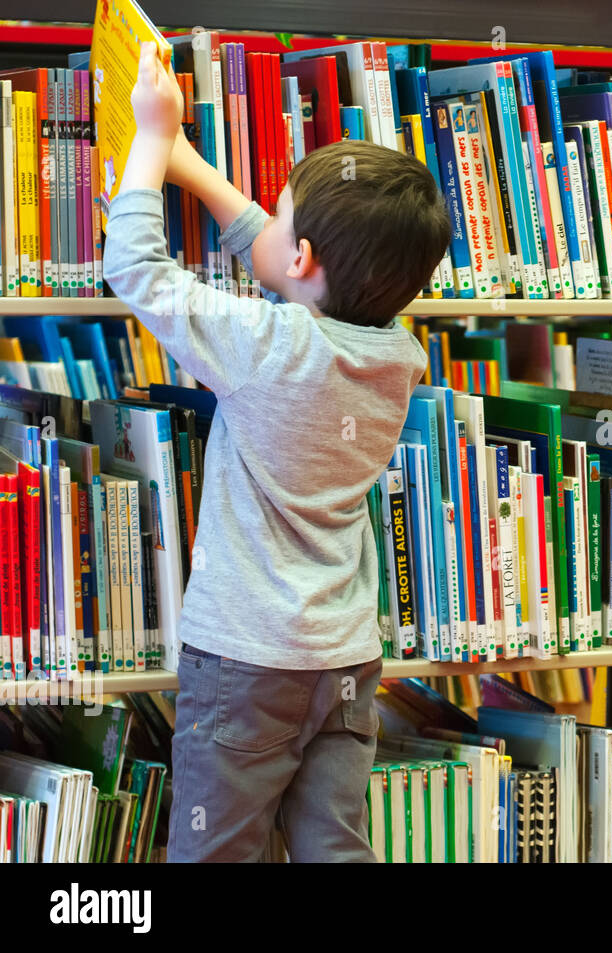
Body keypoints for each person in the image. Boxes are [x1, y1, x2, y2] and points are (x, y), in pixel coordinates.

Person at [102, 42, 449, 861]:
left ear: (303, 261)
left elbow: (136, 269)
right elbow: (282, 257)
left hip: (249, 661)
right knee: (334, 845)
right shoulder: (398, 354)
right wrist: (190, 162)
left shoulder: (267, 344)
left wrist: (149, 148)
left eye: (283, 215)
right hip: (344, 662)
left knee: (216, 846)